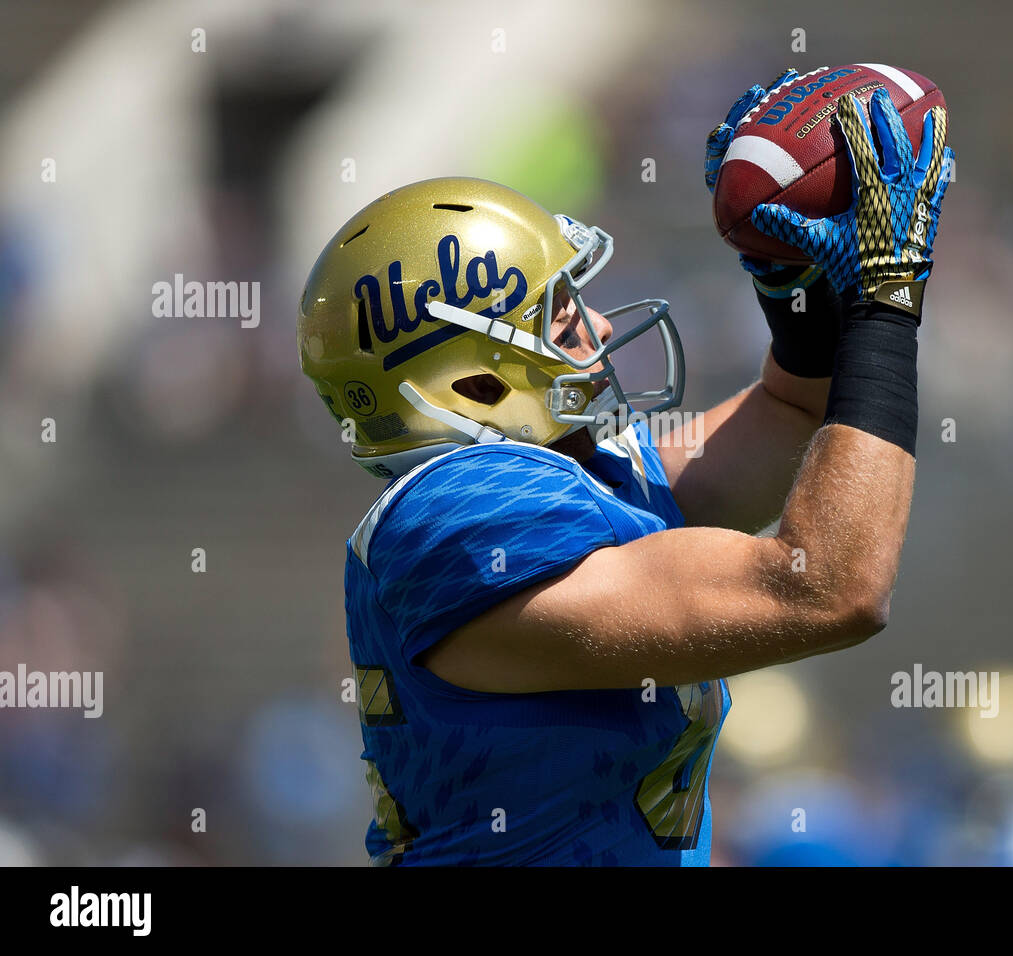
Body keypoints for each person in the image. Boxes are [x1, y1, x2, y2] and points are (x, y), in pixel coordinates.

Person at [296, 75, 953, 866]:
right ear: (473, 379)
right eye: (563, 315)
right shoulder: (457, 514)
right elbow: (829, 589)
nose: (602, 326)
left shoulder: (571, 478)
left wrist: (793, 282)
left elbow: (793, 414)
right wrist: (887, 297)